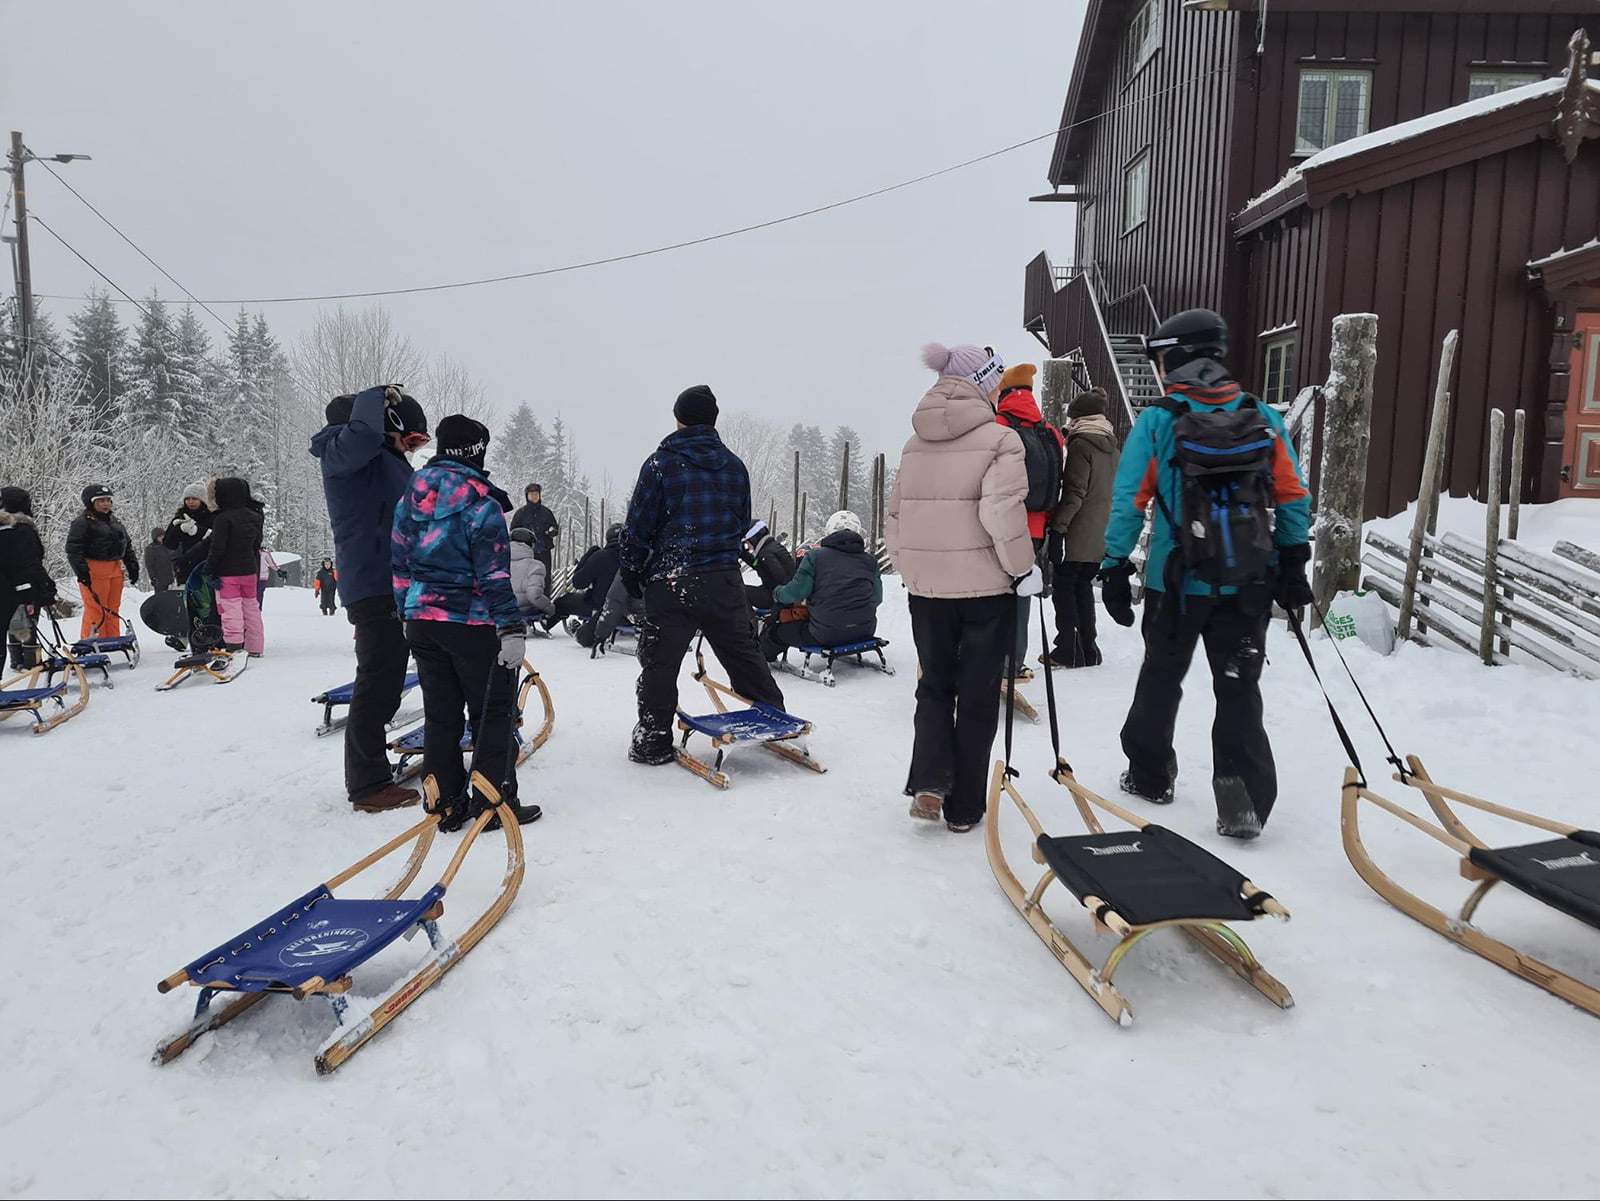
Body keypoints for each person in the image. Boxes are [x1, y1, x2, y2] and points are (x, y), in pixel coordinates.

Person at [1100, 308, 1312, 840]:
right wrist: (1291, 559)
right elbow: (1290, 493)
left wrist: (1112, 564)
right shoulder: (1260, 413)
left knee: (1161, 679)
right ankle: (1242, 805)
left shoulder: (1158, 420)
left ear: (1177, 356)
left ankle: (1149, 776)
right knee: (1239, 689)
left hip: (1174, 584)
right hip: (1248, 581)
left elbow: (1129, 500)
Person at [886, 343, 1036, 834]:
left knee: (934, 686)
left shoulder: (914, 444)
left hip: (927, 590)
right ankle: (965, 806)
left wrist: (912, 569)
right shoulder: (1001, 440)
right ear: (984, 381)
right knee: (975, 694)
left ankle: (930, 781)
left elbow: (894, 517)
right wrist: (1022, 568)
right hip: (985, 591)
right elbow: (1000, 512)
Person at [618, 384, 785, 764]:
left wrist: (631, 571)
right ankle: (774, 715)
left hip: (671, 580)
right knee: (743, 653)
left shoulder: (660, 465)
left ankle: (653, 738)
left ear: (679, 420)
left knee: (661, 663)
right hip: (723, 578)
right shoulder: (735, 466)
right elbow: (742, 521)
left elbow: (637, 527)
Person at [392, 415, 541, 826]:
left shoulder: (411, 496)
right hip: (471, 623)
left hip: (423, 619)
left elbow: (399, 562)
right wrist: (511, 627)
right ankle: (493, 804)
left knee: (441, 714)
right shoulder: (480, 502)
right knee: (492, 713)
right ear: (476, 450)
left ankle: (444, 801)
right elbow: (493, 574)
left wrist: (407, 609)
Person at [310, 383, 431, 814]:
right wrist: (376, 395)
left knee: (390, 678)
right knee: (377, 683)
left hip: (400, 582)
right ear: (383, 425)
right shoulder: (343, 452)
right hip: (373, 582)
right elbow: (361, 435)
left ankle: (386, 768)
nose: (411, 447)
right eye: (410, 437)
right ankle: (367, 785)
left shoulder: (383, 461)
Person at [993, 362, 1064, 684]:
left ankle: (986, 660)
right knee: (1020, 598)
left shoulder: (997, 425)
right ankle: (1014, 661)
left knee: (991, 595)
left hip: (999, 526)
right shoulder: (1049, 432)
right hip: (1035, 529)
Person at [1044, 387, 1119, 669]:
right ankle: (1089, 648)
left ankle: (1068, 650)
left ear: (1078, 418)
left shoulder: (1081, 445)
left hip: (1077, 532)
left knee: (1065, 588)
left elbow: (1075, 492)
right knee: (1083, 587)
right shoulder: (1112, 445)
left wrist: (1058, 529)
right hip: (1100, 532)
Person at [762, 510, 882, 661]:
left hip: (827, 633)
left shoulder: (815, 557)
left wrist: (777, 592)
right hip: (865, 630)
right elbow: (877, 598)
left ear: (829, 530)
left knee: (777, 631)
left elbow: (796, 593)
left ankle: (761, 659)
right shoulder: (870, 561)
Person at [65, 485, 139, 640]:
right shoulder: (83, 522)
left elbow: (127, 544)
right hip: (94, 569)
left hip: (115, 568)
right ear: (91, 503)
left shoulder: (114, 521)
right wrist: (82, 572)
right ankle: (91, 643)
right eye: (101, 501)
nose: (106, 504)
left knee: (112, 610)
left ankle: (113, 641)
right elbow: (73, 548)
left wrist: (132, 565)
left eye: (108, 500)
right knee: (96, 610)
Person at [206, 477, 267, 658]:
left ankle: (234, 646)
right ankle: (256, 646)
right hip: (249, 572)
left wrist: (209, 569)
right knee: (251, 609)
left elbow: (217, 548)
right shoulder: (254, 517)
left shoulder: (223, 519)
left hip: (228, 573)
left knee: (231, 611)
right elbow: (257, 544)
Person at [0, 487, 57, 657]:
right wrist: (44, 586)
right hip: (19, 587)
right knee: (25, 618)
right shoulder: (21, 529)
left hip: (10, 586)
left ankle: (18, 658)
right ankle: (29, 660)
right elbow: (29, 562)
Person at [550, 523, 621, 633]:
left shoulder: (600, 556)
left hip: (599, 605)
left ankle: (546, 623)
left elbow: (578, 582)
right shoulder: (638, 557)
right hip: (630, 608)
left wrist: (587, 557)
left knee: (562, 602)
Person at [741, 518, 797, 611]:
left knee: (740, 591)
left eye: (747, 542)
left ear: (753, 538)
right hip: (774, 592)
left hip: (776, 597)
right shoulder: (769, 548)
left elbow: (782, 579)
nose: (748, 546)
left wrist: (779, 608)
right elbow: (758, 565)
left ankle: (750, 623)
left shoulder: (766, 554)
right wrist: (744, 555)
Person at [162, 483, 214, 583]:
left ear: (201, 500)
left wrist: (198, 530)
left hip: (206, 566)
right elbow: (168, 543)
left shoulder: (211, 518)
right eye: (187, 499)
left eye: (194, 499)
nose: (190, 502)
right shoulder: (179, 518)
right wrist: (178, 529)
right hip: (184, 566)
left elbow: (217, 539)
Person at [511, 483, 559, 581]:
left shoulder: (546, 512)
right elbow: (513, 531)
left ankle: (545, 596)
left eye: (536, 494)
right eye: (531, 494)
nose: (534, 496)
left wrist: (551, 532)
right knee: (526, 579)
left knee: (545, 578)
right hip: (525, 553)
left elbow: (555, 527)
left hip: (544, 551)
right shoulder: (520, 514)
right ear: (527, 496)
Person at [508, 527, 554, 621]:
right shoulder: (535, 566)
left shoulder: (495, 564)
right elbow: (534, 595)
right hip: (523, 609)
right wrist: (550, 608)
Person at [144, 527, 175, 592]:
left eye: (163, 535)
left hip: (170, 578)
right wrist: (153, 577)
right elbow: (149, 565)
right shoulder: (151, 548)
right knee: (161, 598)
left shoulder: (167, 546)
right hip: (159, 580)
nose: (162, 537)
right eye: (160, 536)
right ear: (155, 537)